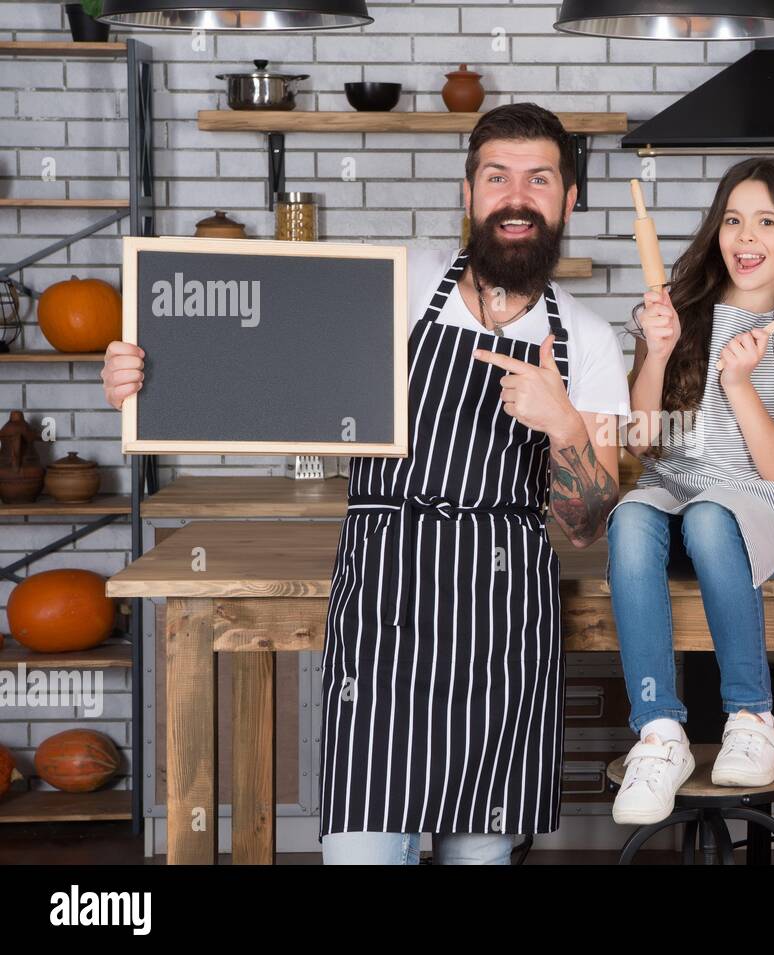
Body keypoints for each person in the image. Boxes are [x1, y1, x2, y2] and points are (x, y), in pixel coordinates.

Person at [100, 103, 630, 864]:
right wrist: (148, 376)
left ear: (569, 199)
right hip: (386, 598)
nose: (517, 196)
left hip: (502, 622)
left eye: (540, 178)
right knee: (362, 850)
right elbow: (251, 349)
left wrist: (565, 426)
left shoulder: (588, 337)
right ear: (469, 192)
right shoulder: (395, 281)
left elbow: (586, 524)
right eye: (497, 177)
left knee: (478, 857)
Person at [607, 158, 774, 826]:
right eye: (734, 219)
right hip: (676, 490)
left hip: (757, 506)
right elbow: (644, 443)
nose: (746, 235)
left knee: (712, 516)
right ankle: (659, 731)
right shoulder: (679, 316)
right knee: (628, 519)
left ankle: (752, 714)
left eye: (767, 221)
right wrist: (655, 353)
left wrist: (739, 385)